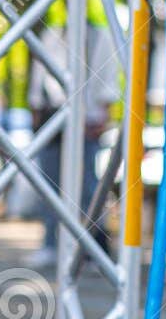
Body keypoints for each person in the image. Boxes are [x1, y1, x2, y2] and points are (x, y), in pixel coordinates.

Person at [27, 22, 119, 269]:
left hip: (86, 120)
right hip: (54, 117)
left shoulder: (98, 35)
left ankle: (94, 247)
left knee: (88, 188)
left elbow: (106, 73)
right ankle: (50, 244)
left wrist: (103, 113)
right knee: (49, 184)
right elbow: (40, 75)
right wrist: (36, 109)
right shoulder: (52, 35)